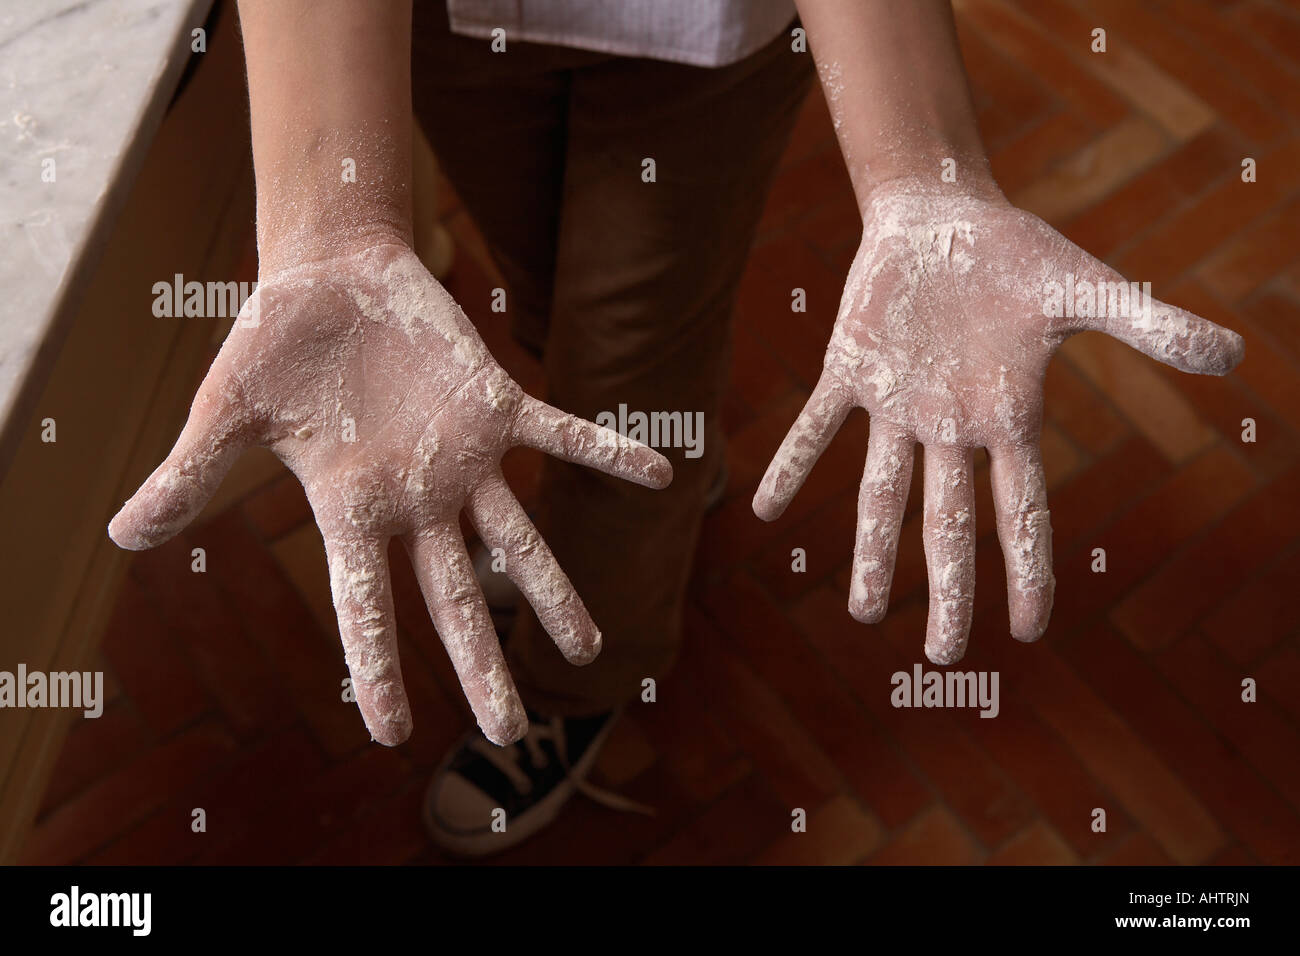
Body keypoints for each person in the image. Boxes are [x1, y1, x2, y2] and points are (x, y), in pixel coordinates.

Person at [108, 0, 1245, 857]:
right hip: (444, 25)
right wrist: (329, 230)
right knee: (556, 298)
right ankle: (676, 466)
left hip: (708, 39)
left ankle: (582, 688)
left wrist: (922, 170)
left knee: (624, 371)